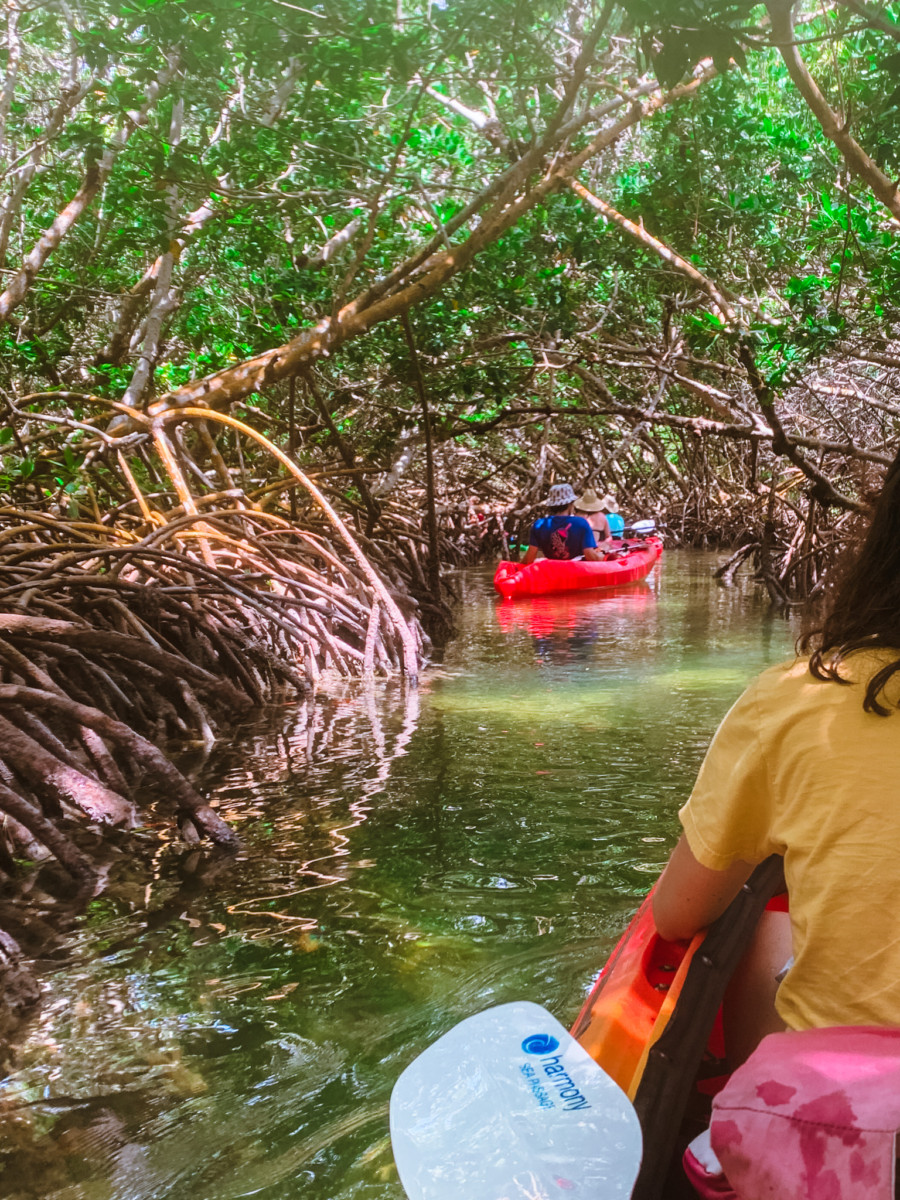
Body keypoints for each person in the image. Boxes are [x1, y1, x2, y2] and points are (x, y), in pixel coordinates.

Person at [652, 446, 900, 1066]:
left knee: (767, 926)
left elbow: (676, 916)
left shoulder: (795, 700)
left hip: (854, 1119)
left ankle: (744, 1124)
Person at [521, 483, 603, 564]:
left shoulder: (539, 525)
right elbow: (590, 556)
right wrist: (603, 556)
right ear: (570, 504)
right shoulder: (581, 523)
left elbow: (529, 559)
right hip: (576, 573)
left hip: (552, 573)